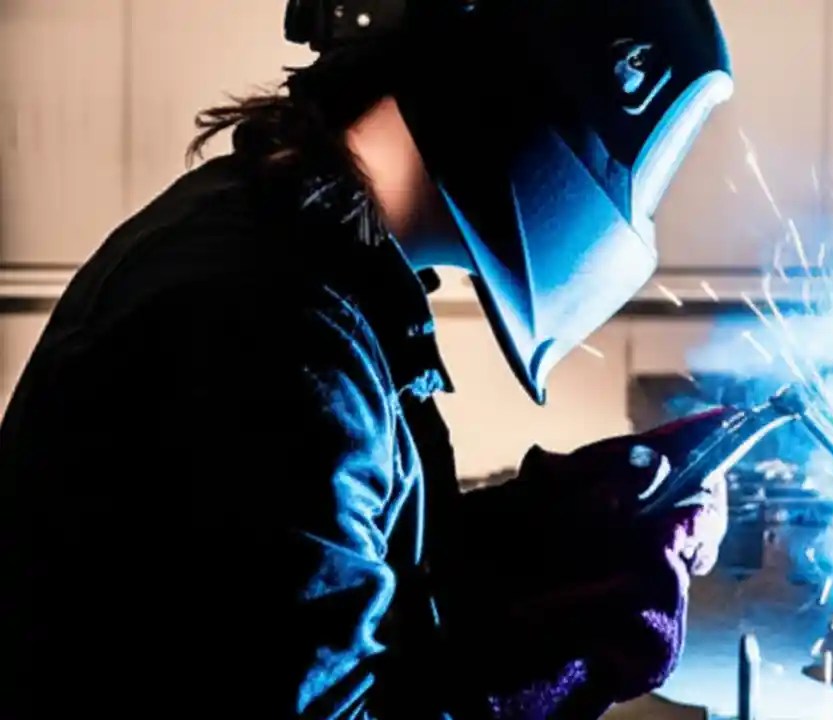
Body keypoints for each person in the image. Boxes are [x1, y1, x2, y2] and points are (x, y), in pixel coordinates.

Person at [0, 0, 734, 717]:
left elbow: (356, 567)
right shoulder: (272, 327)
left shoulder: (303, 255)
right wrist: (579, 649)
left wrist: (569, 523)